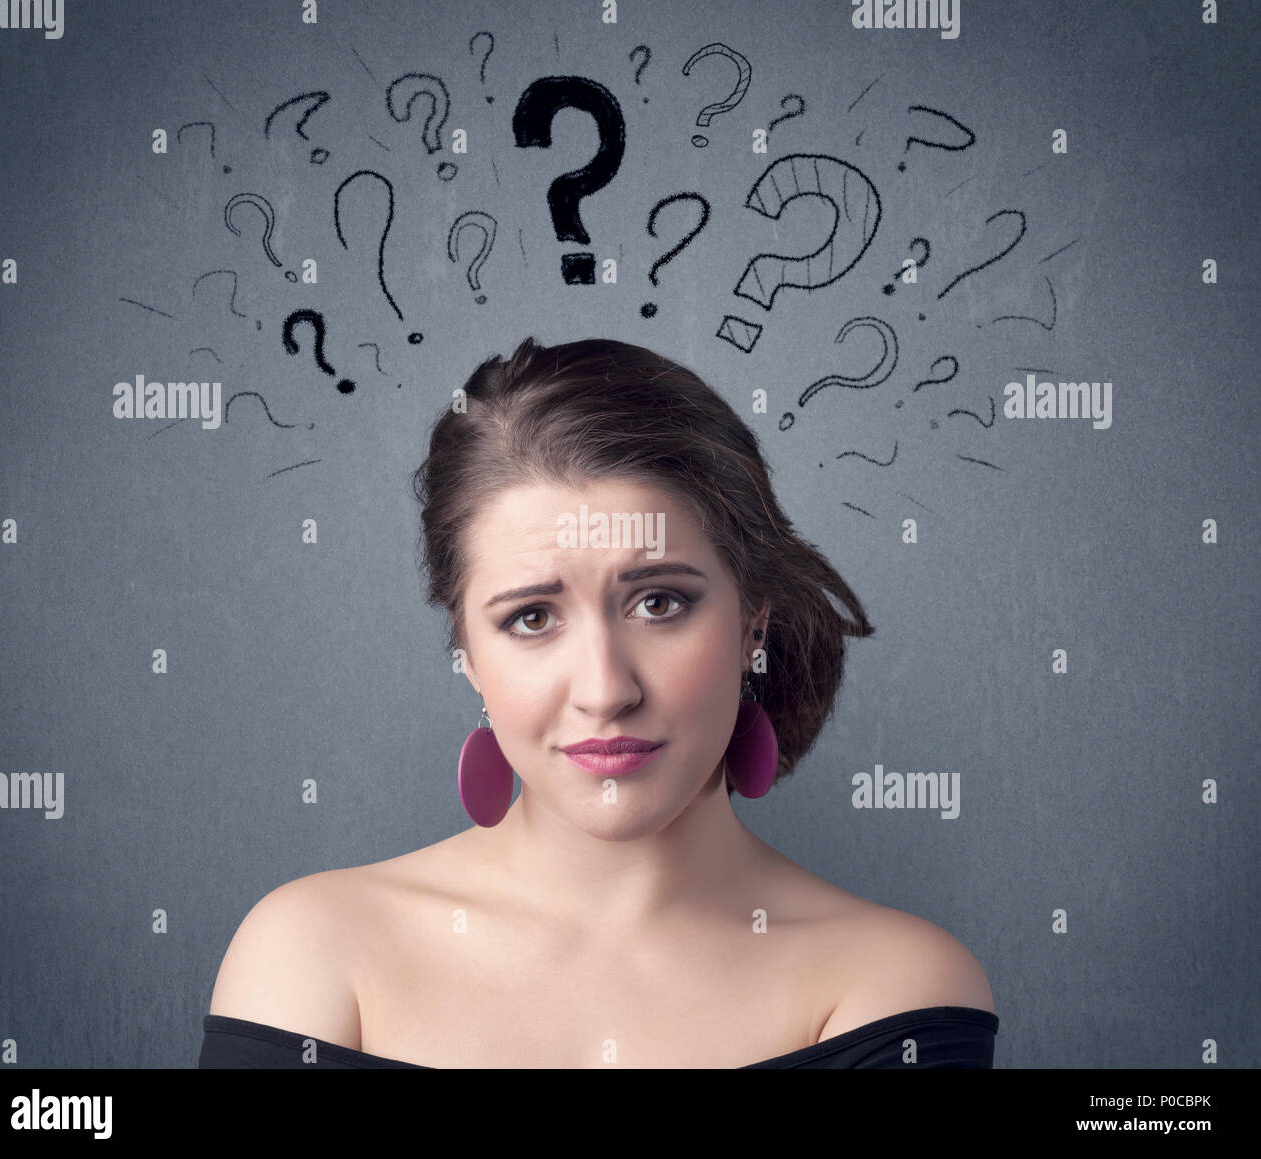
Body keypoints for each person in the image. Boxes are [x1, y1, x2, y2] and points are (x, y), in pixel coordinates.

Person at [199, 337, 997, 1069]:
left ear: (754, 620)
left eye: (659, 603)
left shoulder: (898, 985)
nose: (606, 690)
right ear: (468, 655)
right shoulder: (311, 952)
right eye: (532, 617)